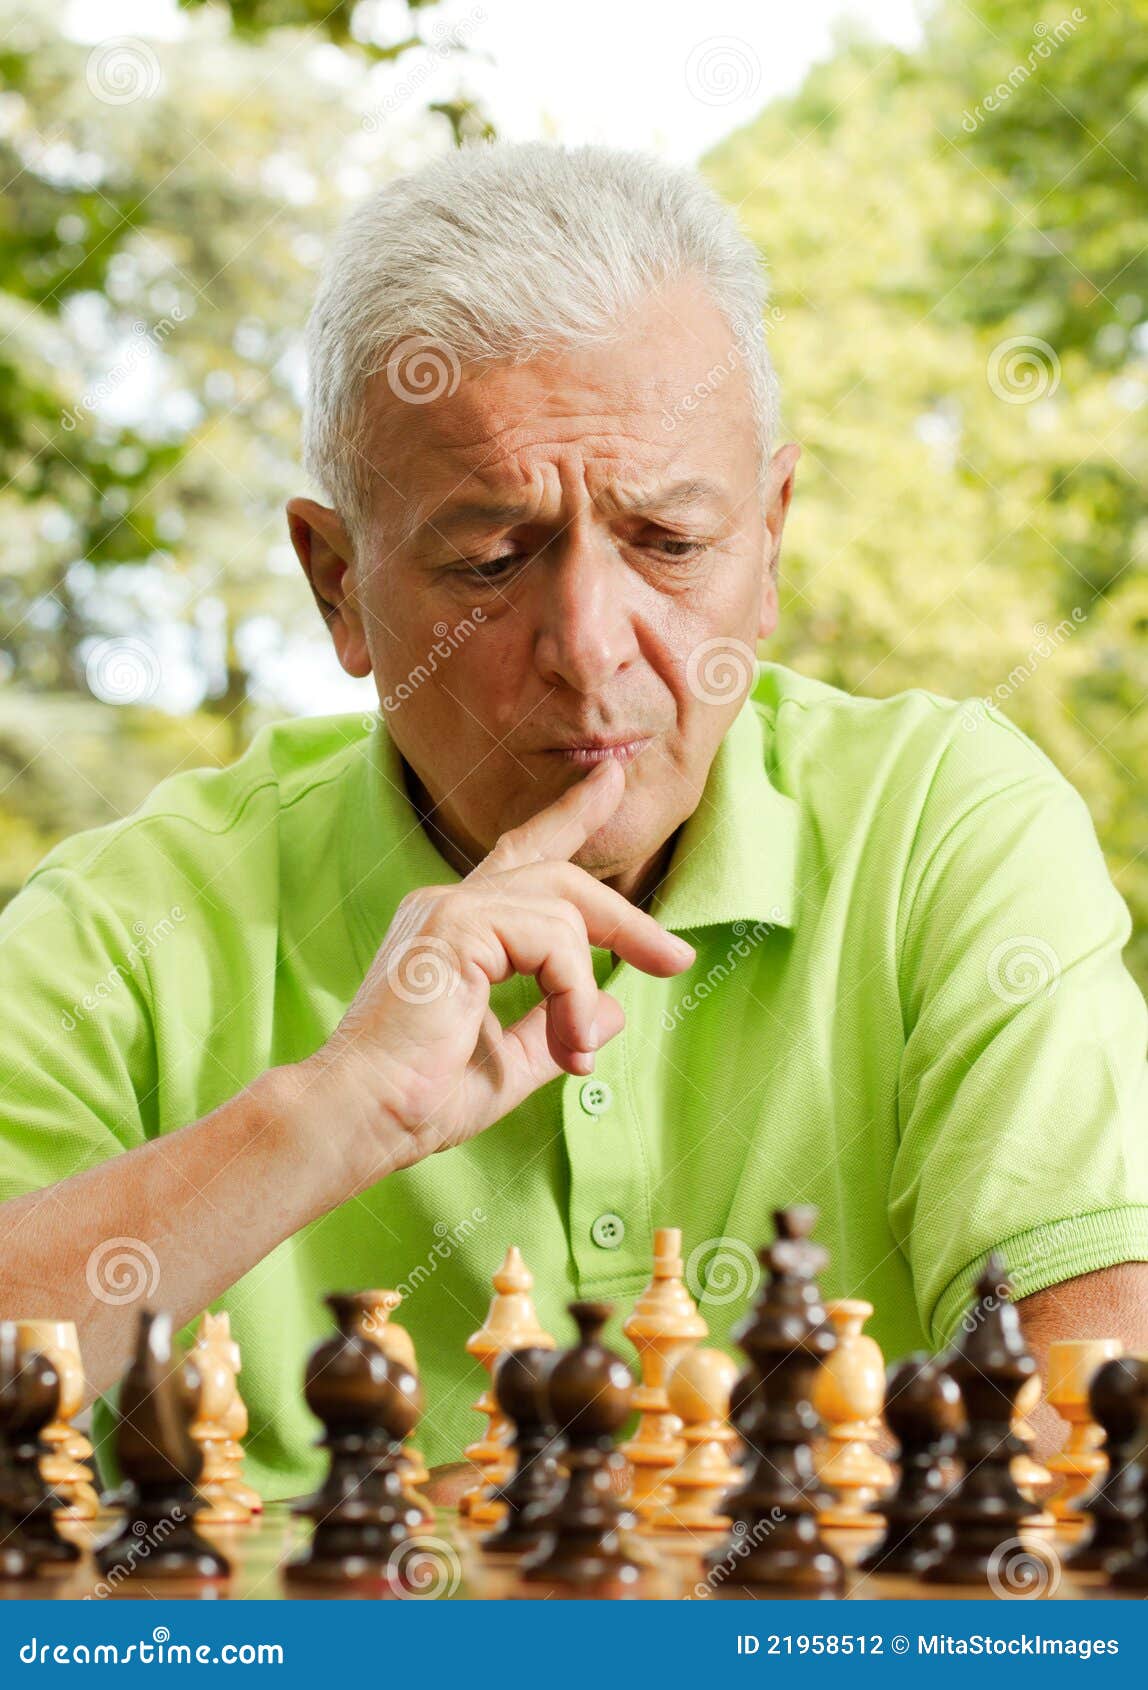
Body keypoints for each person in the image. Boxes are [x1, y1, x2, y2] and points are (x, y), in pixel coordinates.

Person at [2, 141, 1146, 1502]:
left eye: (670, 543)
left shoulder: (948, 829)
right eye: (491, 561)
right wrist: (329, 1112)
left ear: (771, 541)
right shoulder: (128, 923)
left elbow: (1096, 1421)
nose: (592, 646)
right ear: (337, 585)